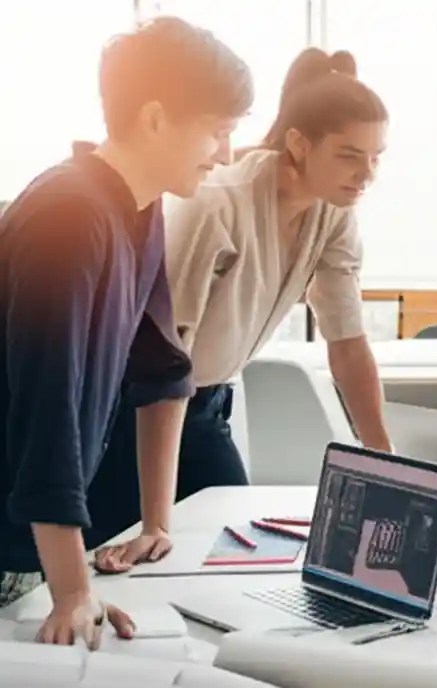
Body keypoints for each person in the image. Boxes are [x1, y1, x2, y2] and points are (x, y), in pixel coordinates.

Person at [0, 17, 252, 645]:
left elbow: (164, 370)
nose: (225, 154)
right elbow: (45, 415)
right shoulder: (70, 215)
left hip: (28, 547)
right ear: (157, 118)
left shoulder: (136, 207)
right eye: (217, 132)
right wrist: (75, 592)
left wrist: (154, 523)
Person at [88, 47, 393, 565]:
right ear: (299, 144)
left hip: (205, 410)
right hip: (130, 412)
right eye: (349, 155)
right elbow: (162, 364)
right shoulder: (213, 202)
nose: (366, 174)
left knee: (235, 558)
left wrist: (386, 466)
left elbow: (347, 343)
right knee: (116, 566)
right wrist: (156, 521)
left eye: (376, 157)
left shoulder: (335, 212)